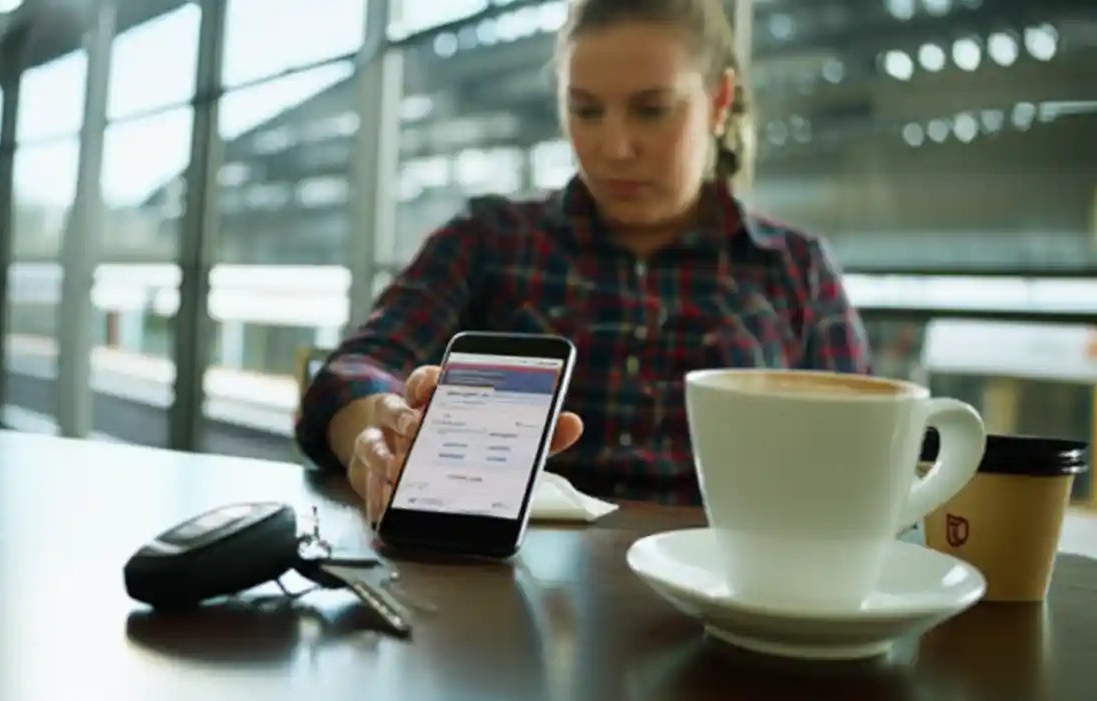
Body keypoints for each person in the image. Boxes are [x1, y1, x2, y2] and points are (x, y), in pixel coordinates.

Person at [295, 0, 871, 520]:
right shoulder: (489, 240)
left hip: (728, 583)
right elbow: (356, 369)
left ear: (719, 102)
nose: (614, 147)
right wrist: (381, 433)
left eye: (651, 110)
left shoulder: (795, 269)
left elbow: (861, 454)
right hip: (508, 590)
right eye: (586, 111)